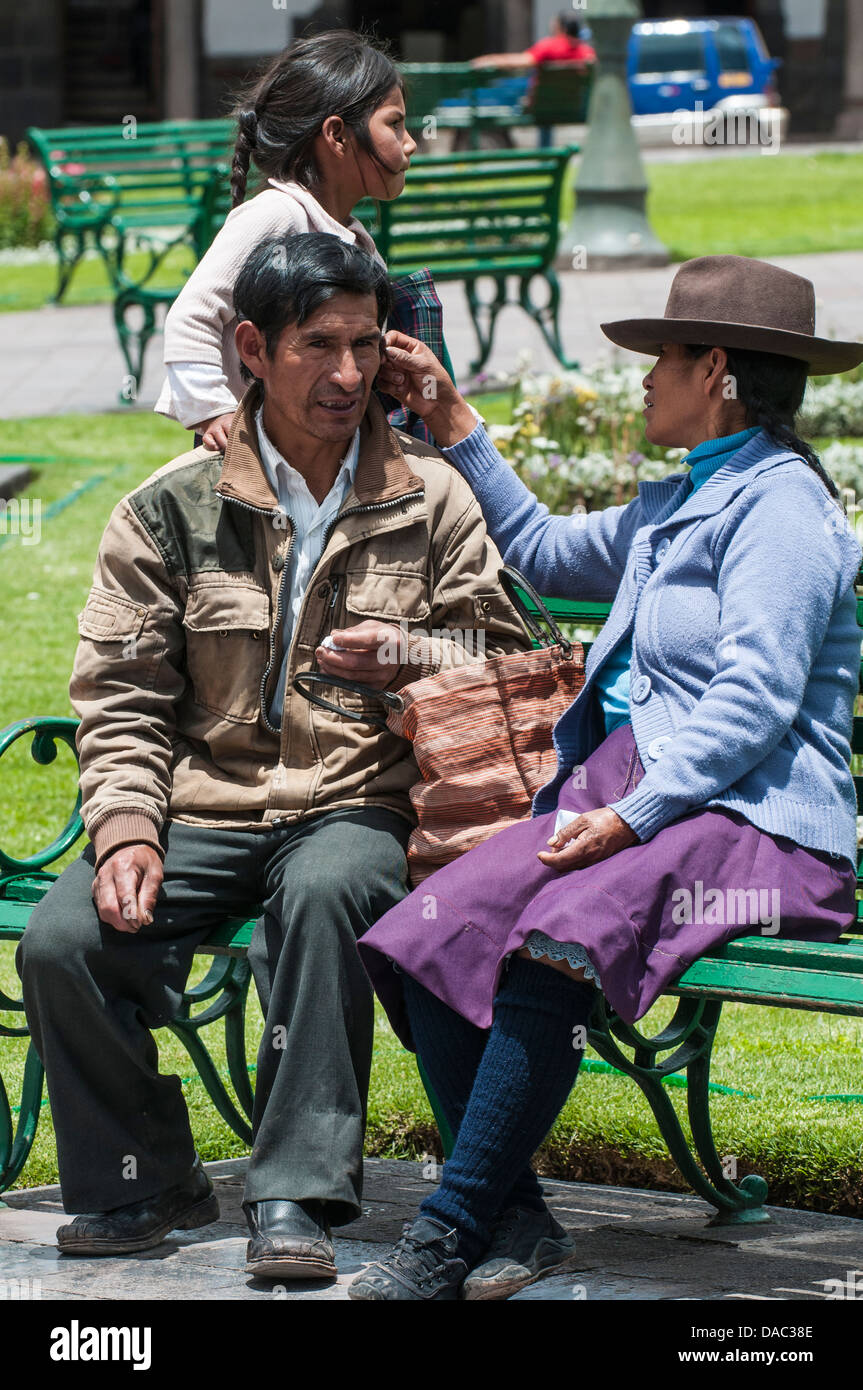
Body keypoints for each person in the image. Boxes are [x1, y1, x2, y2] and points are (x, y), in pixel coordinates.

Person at [348, 254, 863, 1300]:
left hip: (753, 821)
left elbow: (757, 699)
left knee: (557, 946)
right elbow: (538, 549)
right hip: (639, 802)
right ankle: (519, 1217)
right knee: (420, 935)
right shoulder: (676, 501)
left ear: (714, 370)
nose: (639, 379)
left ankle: (446, 1231)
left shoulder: (780, 511)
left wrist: (630, 816)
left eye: (660, 359)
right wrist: (452, 418)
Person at [16, 233, 528, 1284]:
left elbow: (501, 660)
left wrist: (409, 657)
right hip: (206, 804)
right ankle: (143, 1178)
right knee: (63, 941)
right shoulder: (168, 506)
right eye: (315, 345)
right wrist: (123, 828)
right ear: (252, 347)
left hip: (354, 800)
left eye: (361, 344)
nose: (346, 374)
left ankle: (294, 1192)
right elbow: (120, 691)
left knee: (331, 893)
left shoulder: (430, 498)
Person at [153, 28, 445, 452]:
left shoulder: (356, 241)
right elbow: (191, 316)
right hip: (250, 456)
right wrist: (213, 410)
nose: (410, 144)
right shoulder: (276, 214)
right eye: (395, 124)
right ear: (337, 135)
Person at [471, 14, 596, 70]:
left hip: (543, 106)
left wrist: (489, 60)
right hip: (574, 108)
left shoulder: (550, 46)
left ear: (562, 29)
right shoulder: (586, 52)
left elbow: (519, 62)